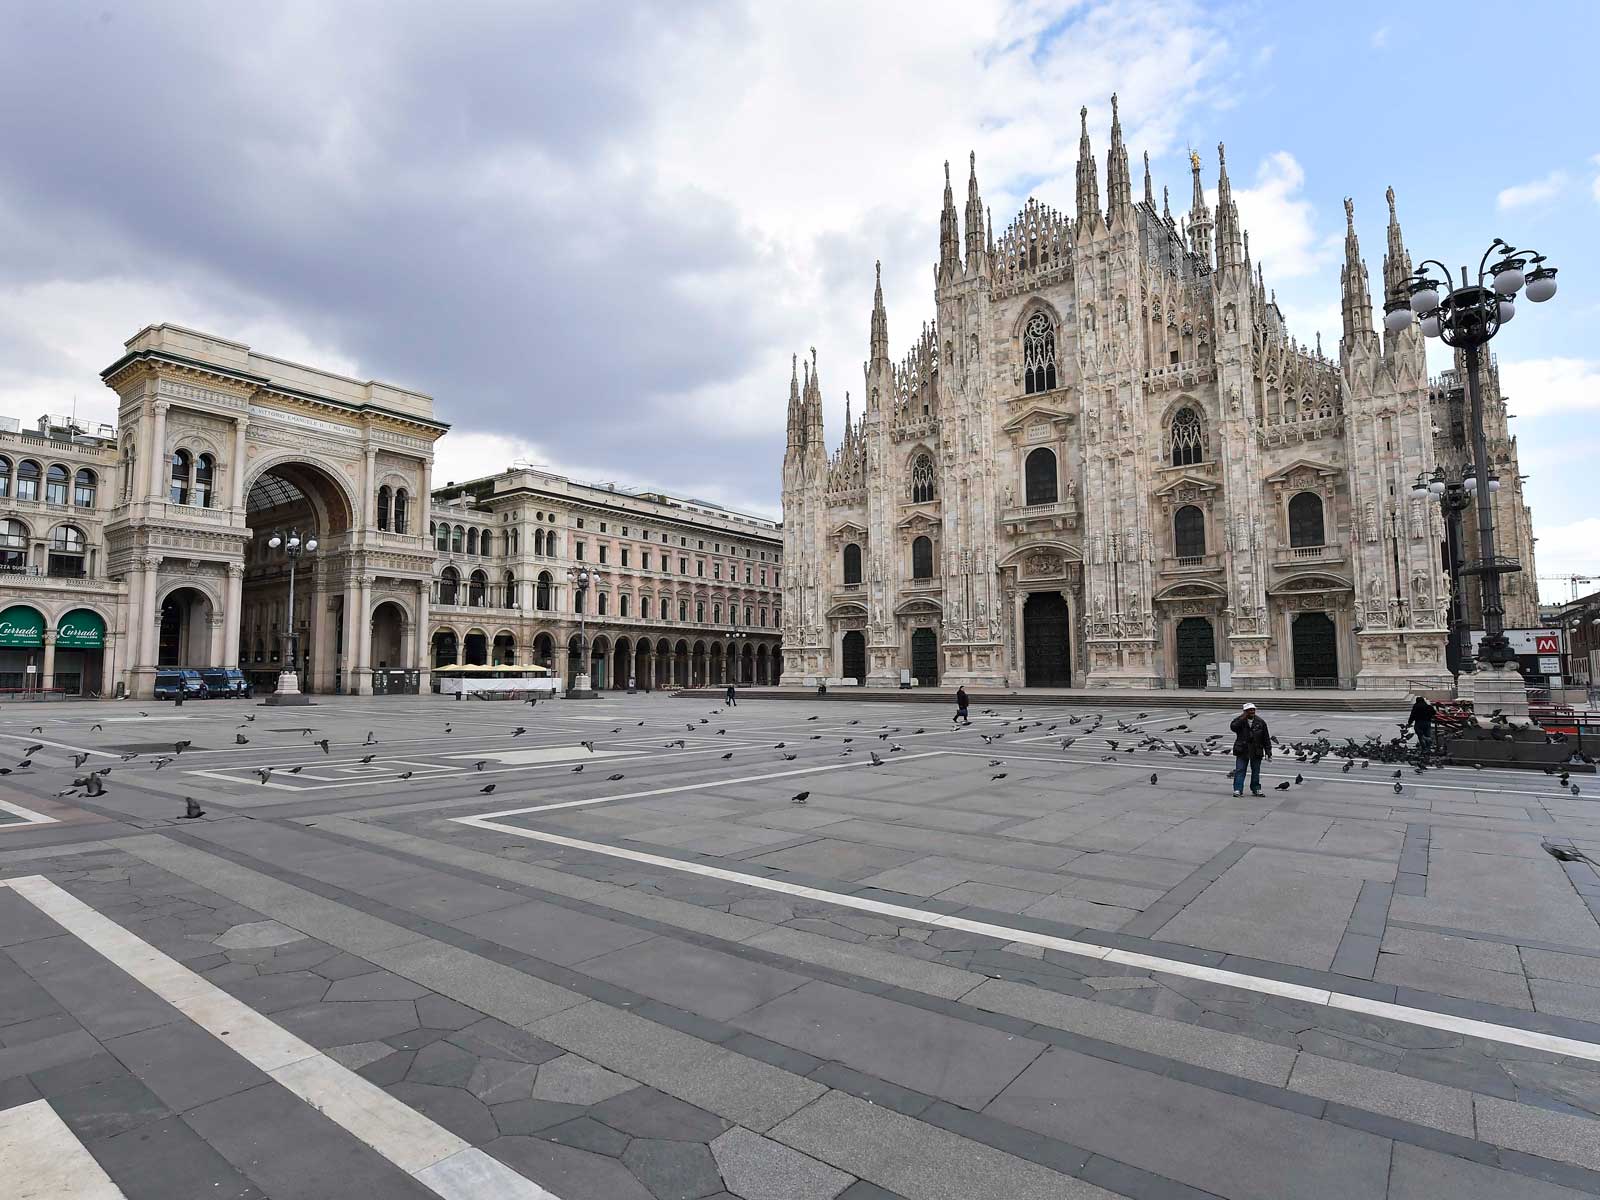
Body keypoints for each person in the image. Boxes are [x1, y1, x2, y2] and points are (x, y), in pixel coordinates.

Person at [1229, 701, 1271, 797]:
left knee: (1256, 771)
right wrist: (1242, 718)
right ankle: (1238, 789)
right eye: (1249, 710)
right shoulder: (1239, 720)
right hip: (1242, 749)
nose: (1252, 712)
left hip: (1256, 749)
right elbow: (1233, 727)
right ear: (1245, 711)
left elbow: (1266, 737)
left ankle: (1256, 788)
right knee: (1240, 770)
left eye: (1253, 710)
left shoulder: (1260, 722)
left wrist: (1268, 751)